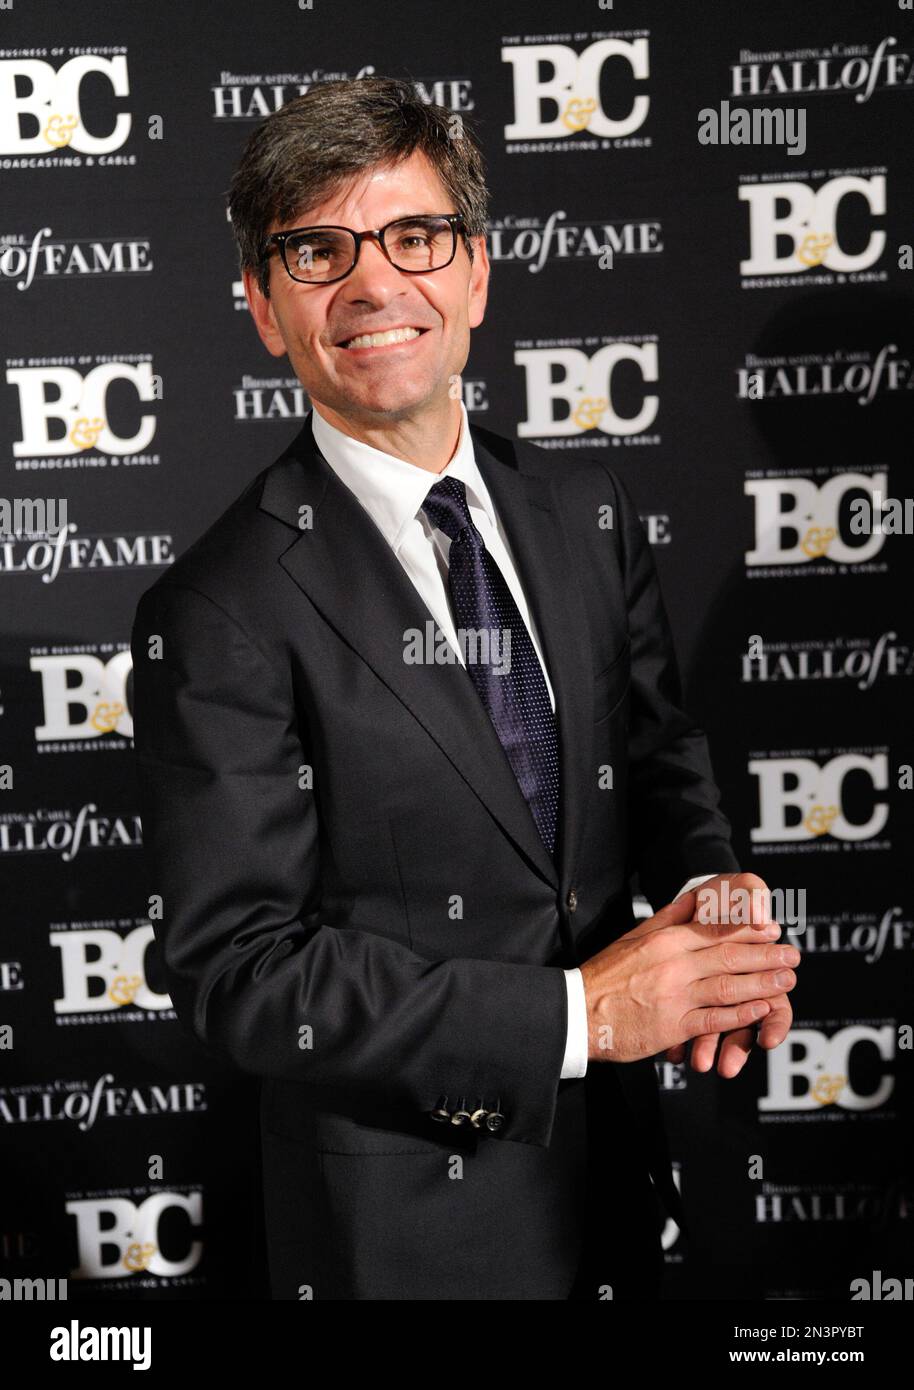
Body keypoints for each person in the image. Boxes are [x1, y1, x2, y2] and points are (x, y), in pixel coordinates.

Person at [130, 76, 799, 1301]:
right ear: (265, 310)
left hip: (623, 1190)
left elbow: (655, 758)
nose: (374, 284)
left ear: (476, 275)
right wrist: (576, 1017)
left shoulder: (584, 514)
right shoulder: (217, 609)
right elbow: (242, 968)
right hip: (401, 1238)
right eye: (317, 251)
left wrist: (710, 892)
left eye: (415, 236)